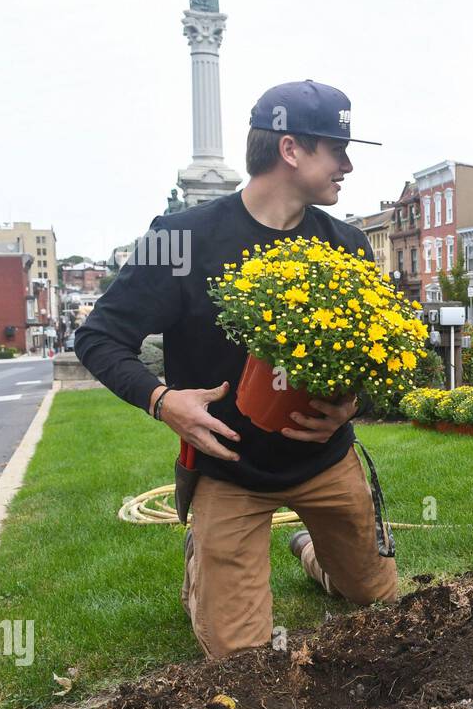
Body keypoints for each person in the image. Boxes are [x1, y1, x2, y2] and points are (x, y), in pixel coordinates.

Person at [75, 80, 397, 659]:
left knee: (375, 599)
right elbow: (98, 338)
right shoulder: (178, 238)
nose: (348, 164)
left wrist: (354, 405)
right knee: (241, 661)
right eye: (337, 148)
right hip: (229, 470)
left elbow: (370, 359)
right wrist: (162, 401)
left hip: (325, 461)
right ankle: (207, 561)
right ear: (291, 149)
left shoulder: (348, 244)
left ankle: (310, 553)